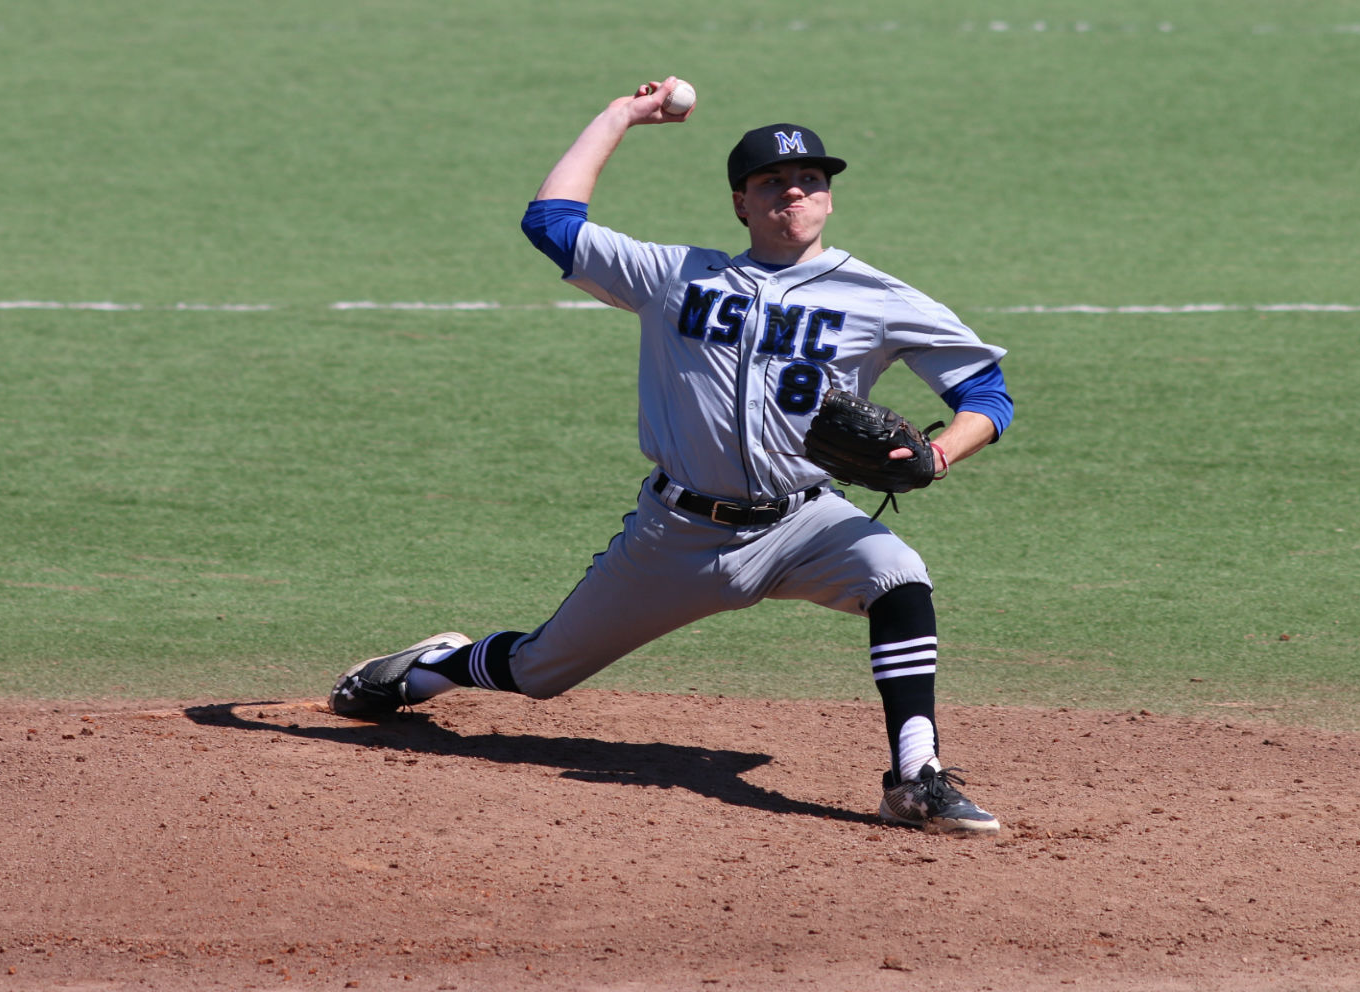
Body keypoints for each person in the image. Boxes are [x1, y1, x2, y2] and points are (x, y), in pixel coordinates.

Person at [330, 78, 1015, 835]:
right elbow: (550, 223)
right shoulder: (674, 275)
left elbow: (988, 395)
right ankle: (432, 667)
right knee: (537, 670)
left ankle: (915, 778)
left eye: (810, 179)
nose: (794, 191)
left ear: (829, 198)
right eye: (772, 181)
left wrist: (940, 454)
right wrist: (619, 115)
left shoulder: (880, 298)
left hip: (803, 524)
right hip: (677, 535)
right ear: (741, 202)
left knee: (898, 576)